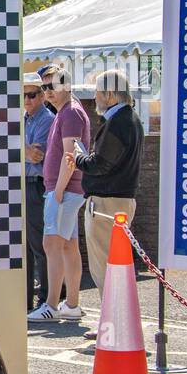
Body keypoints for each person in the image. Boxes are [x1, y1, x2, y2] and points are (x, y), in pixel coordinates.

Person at [70, 69, 144, 292]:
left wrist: (78, 156)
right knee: (115, 266)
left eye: (98, 93)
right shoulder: (131, 119)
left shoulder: (119, 122)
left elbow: (100, 164)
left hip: (106, 202)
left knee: (104, 267)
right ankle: (115, 320)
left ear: (110, 94)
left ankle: (110, 322)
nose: (95, 98)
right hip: (119, 200)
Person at [28, 65, 90, 322]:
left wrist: (59, 191)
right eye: (45, 87)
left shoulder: (71, 113)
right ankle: (71, 304)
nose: (48, 92)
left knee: (52, 244)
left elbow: (70, 156)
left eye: (52, 86)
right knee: (66, 246)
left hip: (63, 189)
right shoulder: (66, 112)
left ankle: (52, 304)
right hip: (65, 188)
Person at [22, 72, 54, 311]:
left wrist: (14, 145)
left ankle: (46, 297)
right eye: (23, 96)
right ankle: (26, 299)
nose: (27, 100)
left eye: (32, 95)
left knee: (39, 244)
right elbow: (28, 153)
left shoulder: (46, 119)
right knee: (23, 245)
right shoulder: (24, 120)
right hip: (23, 183)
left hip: (36, 184)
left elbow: (36, 155)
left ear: (42, 95)